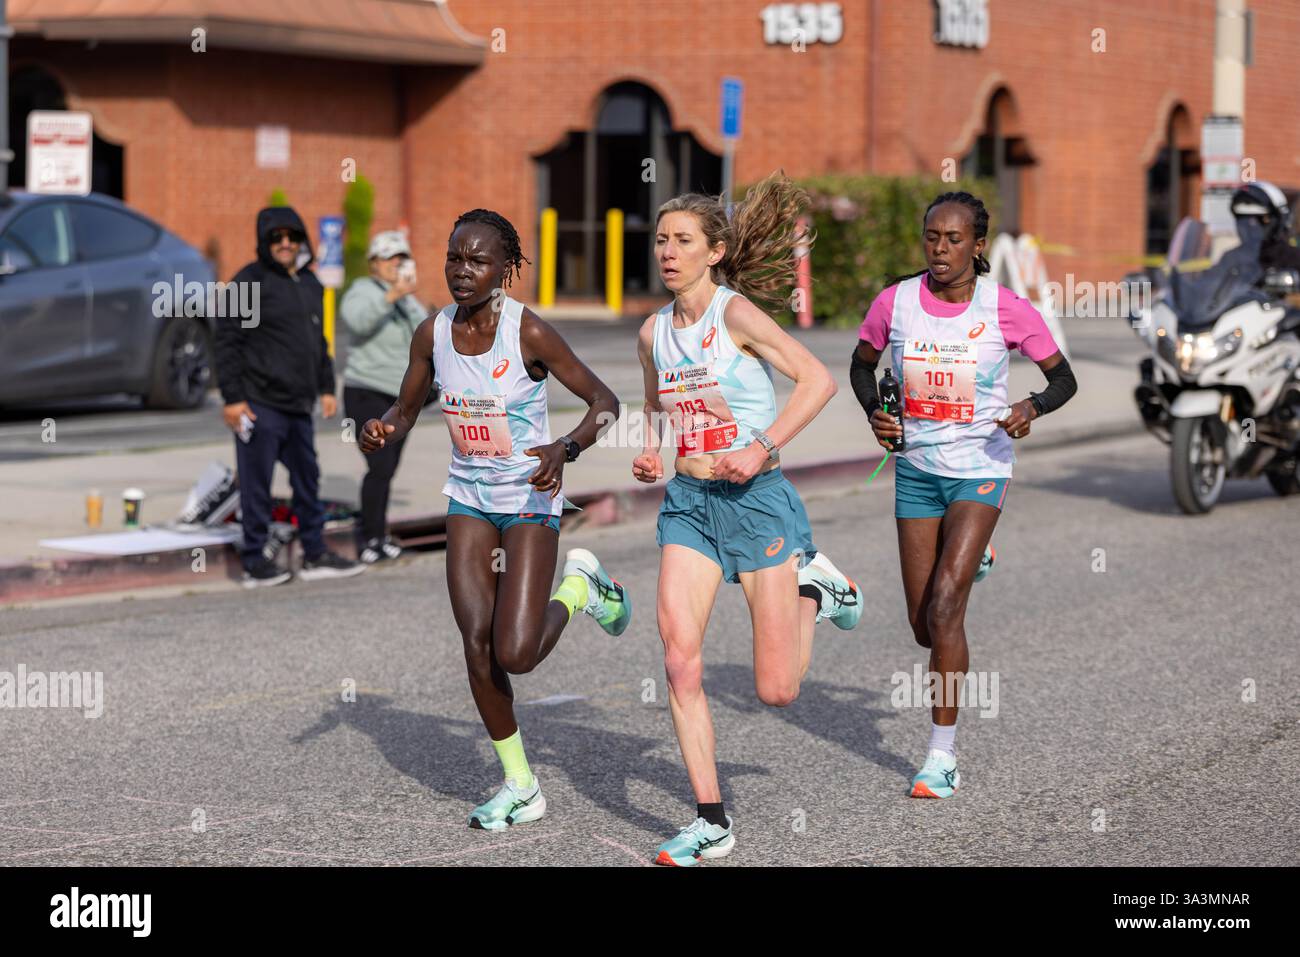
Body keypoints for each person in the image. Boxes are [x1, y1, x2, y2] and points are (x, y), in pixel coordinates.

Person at [360, 209, 627, 829]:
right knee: (477, 649)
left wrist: (567, 448)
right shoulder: (431, 333)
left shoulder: (527, 333)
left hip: (530, 501)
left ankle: (582, 588)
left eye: (477, 260)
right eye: (454, 257)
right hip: (469, 500)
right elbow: (405, 408)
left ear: (505, 269)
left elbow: (606, 404)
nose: (461, 270)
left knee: (517, 652)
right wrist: (381, 428)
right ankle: (521, 784)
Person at [631, 172, 863, 867]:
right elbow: (655, 405)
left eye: (683, 241)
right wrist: (652, 451)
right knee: (679, 658)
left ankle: (815, 590)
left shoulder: (734, 316)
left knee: (777, 690)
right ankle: (711, 819)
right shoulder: (652, 333)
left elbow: (816, 379)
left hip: (757, 500)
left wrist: (761, 446)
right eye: (662, 241)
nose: (669, 252)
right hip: (690, 507)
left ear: (715, 250)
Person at [849, 191, 1077, 799]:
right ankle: (973, 560)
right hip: (917, 472)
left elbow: (1064, 379)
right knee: (924, 627)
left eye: (954, 240)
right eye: (931, 238)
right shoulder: (894, 303)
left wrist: (1028, 406)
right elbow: (860, 365)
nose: (940, 249)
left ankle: (941, 756)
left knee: (948, 607)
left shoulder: (1004, 308)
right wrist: (877, 412)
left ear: (978, 246)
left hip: (981, 466)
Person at [214, 206, 365, 587]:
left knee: (307, 481)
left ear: (302, 240)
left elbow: (318, 340)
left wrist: (327, 387)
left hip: (299, 405)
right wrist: (232, 399)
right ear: (264, 242)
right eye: (276, 237)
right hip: (258, 403)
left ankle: (314, 554)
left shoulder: (310, 284)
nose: (285, 243)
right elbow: (226, 343)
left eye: (292, 236)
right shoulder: (247, 283)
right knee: (256, 485)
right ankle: (254, 561)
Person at [341, 230, 428, 564]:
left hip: (398, 399)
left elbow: (426, 335)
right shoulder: (363, 291)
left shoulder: (406, 298)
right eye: (391, 258)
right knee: (378, 467)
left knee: (388, 469)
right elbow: (357, 322)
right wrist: (392, 294)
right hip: (366, 390)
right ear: (374, 263)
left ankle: (378, 536)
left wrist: (406, 297)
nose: (397, 264)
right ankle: (369, 539)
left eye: (402, 258)